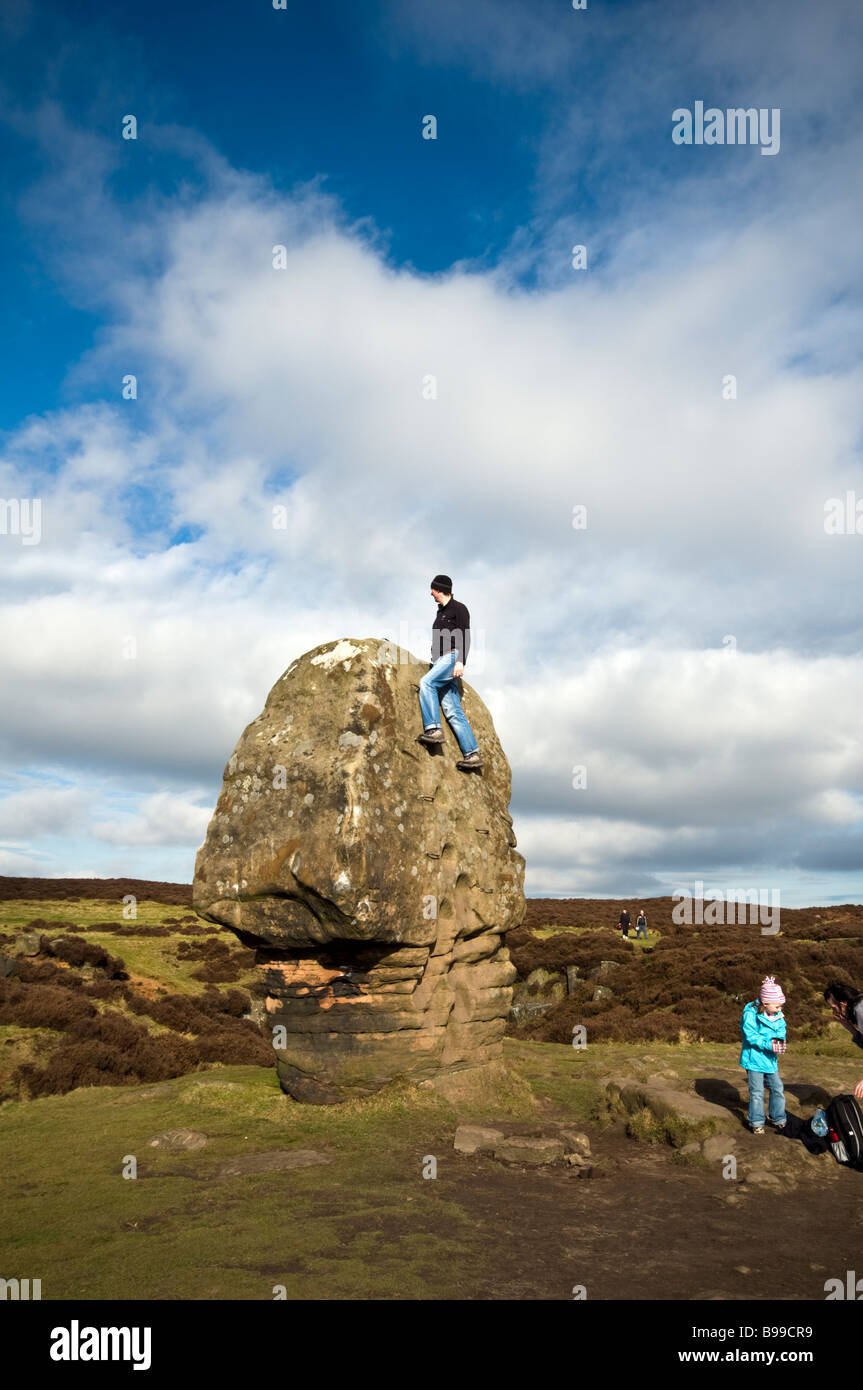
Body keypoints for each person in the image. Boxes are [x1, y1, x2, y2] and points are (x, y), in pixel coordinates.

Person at [417, 574, 482, 771]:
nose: (431, 593)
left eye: (433, 589)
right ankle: (472, 754)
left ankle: (434, 729)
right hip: (440, 661)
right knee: (453, 710)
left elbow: (465, 636)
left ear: (440, 589)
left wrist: (461, 662)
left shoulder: (459, 608)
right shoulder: (440, 613)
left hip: (452, 657)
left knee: (426, 683)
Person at [739, 976, 787, 1134]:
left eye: (781, 1006)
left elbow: (781, 1030)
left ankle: (778, 1118)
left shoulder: (777, 1015)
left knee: (777, 1087)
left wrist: (780, 1041)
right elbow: (750, 1035)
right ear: (765, 1003)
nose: (780, 1009)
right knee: (757, 1092)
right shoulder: (750, 1014)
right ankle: (757, 1121)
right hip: (754, 1059)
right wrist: (770, 1044)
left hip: (770, 1060)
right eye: (777, 1006)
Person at [823, 980, 863, 1100]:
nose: (834, 1012)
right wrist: (848, 1026)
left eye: (834, 1007)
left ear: (844, 1003)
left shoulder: (860, 1010)